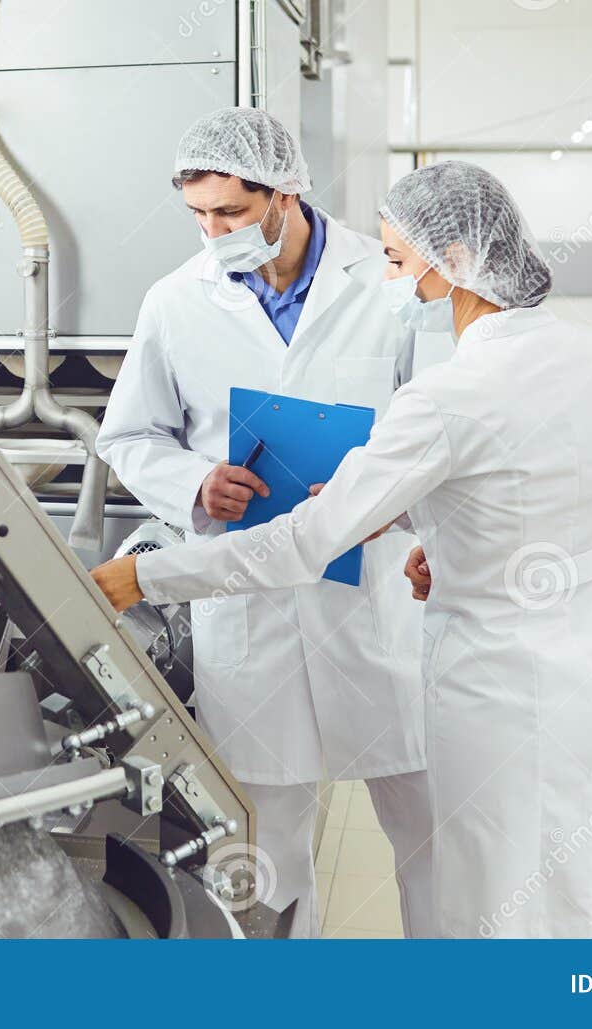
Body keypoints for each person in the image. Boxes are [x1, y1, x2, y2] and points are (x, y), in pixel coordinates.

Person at [93, 161, 592, 939]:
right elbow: (532, 481)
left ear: (457, 260)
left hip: (487, 685)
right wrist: (442, 529)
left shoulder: (447, 394)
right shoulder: (589, 353)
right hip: (591, 674)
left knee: (488, 908)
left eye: (399, 260)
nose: (390, 277)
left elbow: (303, 541)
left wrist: (144, 575)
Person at [96, 107, 436, 938]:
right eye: (200, 216)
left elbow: (437, 423)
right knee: (263, 841)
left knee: (427, 819)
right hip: (246, 604)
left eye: (232, 213)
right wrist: (193, 484)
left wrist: (382, 496)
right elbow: (129, 435)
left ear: (285, 192)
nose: (214, 232)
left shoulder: (387, 283)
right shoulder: (177, 300)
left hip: (370, 586)